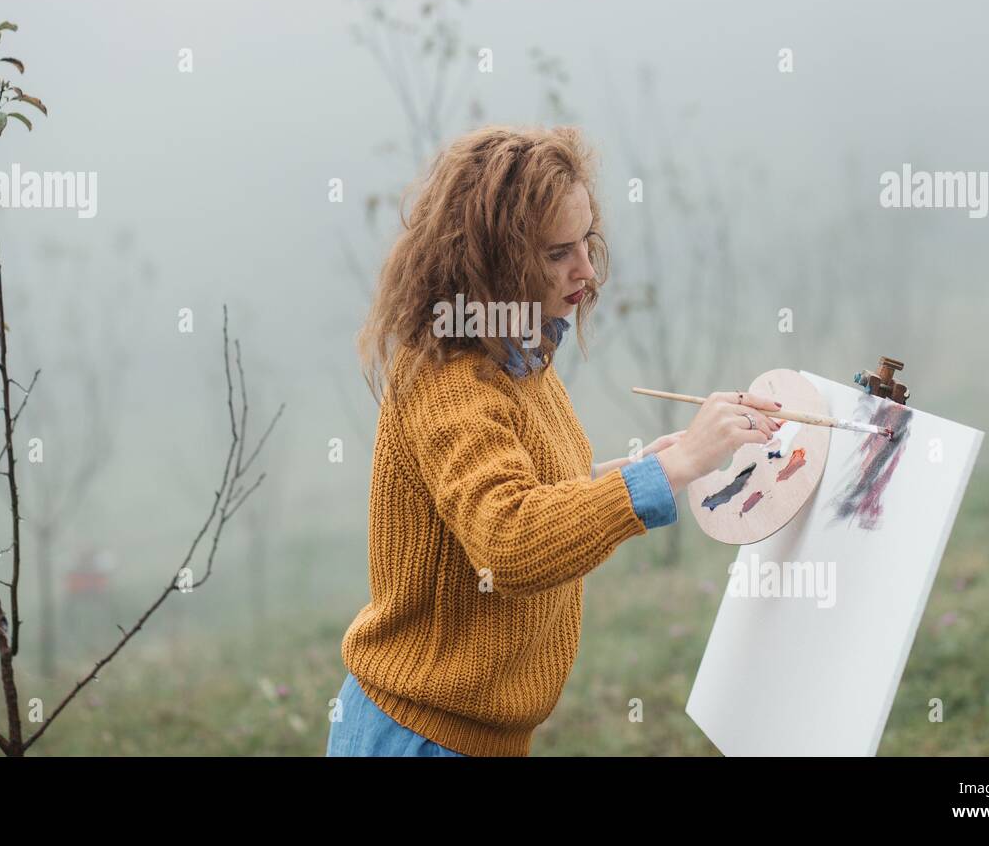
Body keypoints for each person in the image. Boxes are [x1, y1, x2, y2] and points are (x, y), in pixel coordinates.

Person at [327, 125, 783, 757]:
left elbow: (532, 493)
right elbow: (507, 540)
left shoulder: (519, 356)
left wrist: (646, 468)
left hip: (476, 737)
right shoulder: (451, 379)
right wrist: (674, 467)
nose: (587, 272)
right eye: (556, 253)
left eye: (587, 242)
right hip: (418, 736)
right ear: (487, 260)